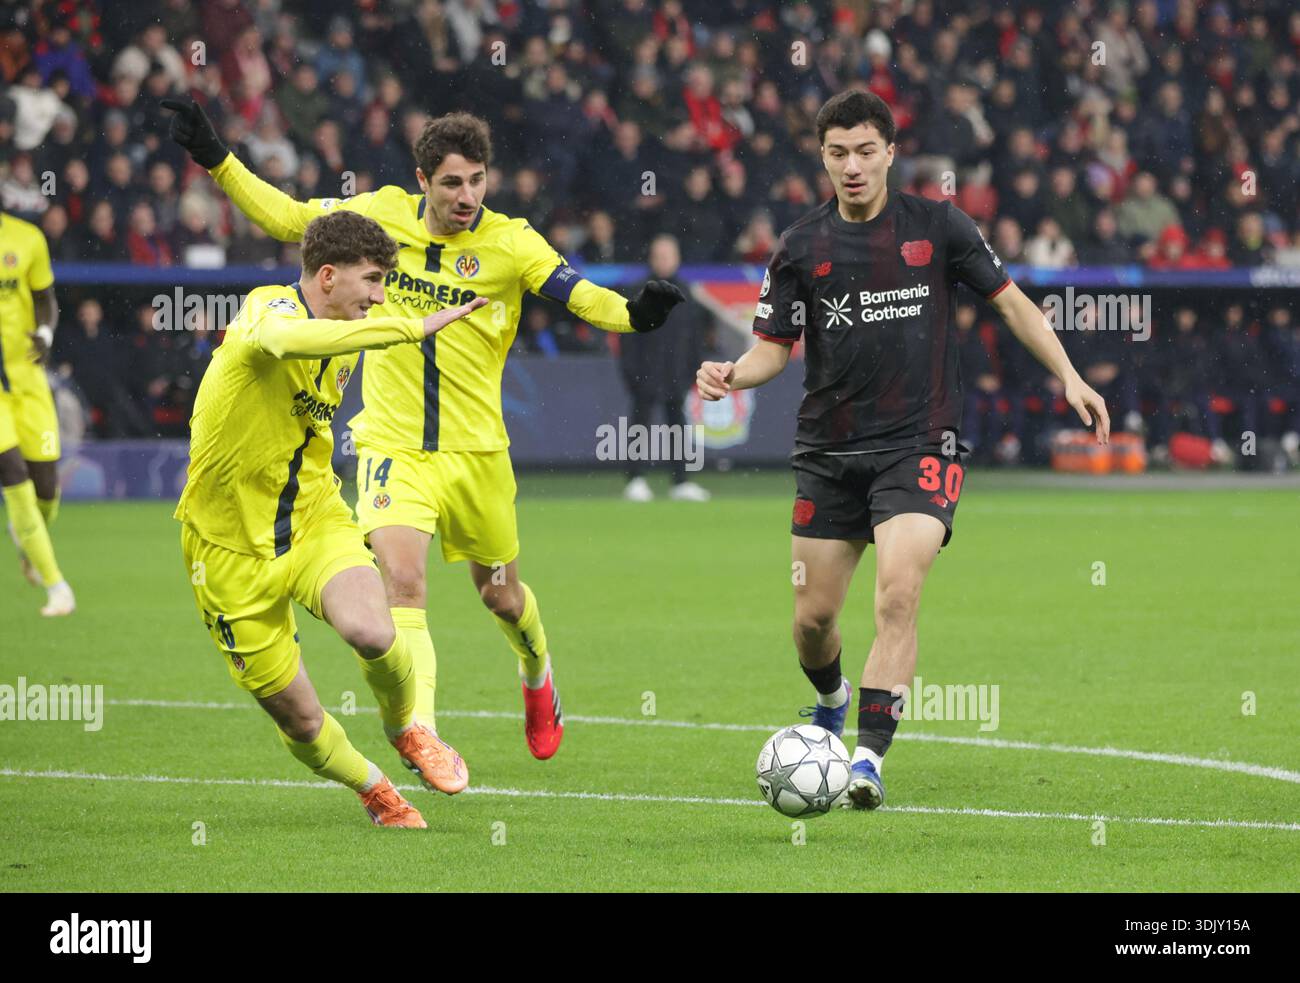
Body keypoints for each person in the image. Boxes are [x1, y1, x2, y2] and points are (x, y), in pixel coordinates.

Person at [164, 99, 684, 767]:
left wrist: (633, 315)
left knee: (500, 593)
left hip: (477, 452)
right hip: (392, 443)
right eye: (451, 183)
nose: (467, 196)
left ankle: (536, 670)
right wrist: (218, 159)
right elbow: (289, 219)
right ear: (422, 180)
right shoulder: (378, 215)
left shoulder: (512, 241)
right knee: (402, 581)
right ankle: (422, 733)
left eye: (477, 180)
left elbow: (577, 291)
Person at [695, 91, 1108, 810]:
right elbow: (772, 350)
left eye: (864, 151)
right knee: (812, 620)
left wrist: (1068, 374)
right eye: (837, 153)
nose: (851, 166)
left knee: (898, 592)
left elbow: (1011, 301)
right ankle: (831, 698)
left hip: (922, 439)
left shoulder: (938, 225)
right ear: (821, 157)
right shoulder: (800, 245)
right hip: (829, 449)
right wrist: (733, 371)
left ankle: (866, 758)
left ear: (889, 153)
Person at [175, 209, 487, 828]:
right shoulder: (271, 311)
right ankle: (373, 788)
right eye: (371, 281)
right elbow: (284, 343)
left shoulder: (349, 333)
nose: (378, 296)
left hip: (313, 518)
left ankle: (407, 729)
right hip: (226, 549)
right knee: (301, 719)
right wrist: (407, 328)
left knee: (374, 632)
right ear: (325, 276)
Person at [0, 209, 74, 616]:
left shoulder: (27, 239)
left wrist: (44, 333)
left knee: (46, 488)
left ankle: (27, 538)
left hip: (28, 380)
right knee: (13, 475)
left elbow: (45, 298)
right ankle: (57, 587)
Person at [620, 234, 710, 502]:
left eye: (668, 255)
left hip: (676, 375)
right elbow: (626, 339)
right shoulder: (639, 291)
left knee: (678, 427)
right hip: (644, 374)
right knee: (640, 425)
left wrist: (693, 369)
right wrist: (632, 374)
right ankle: (635, 479)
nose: (663, 261)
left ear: (677, 258)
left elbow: (694, 337)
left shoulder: (686, 293)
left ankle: (680, 481)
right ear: (651, 257)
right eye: (659, 255)